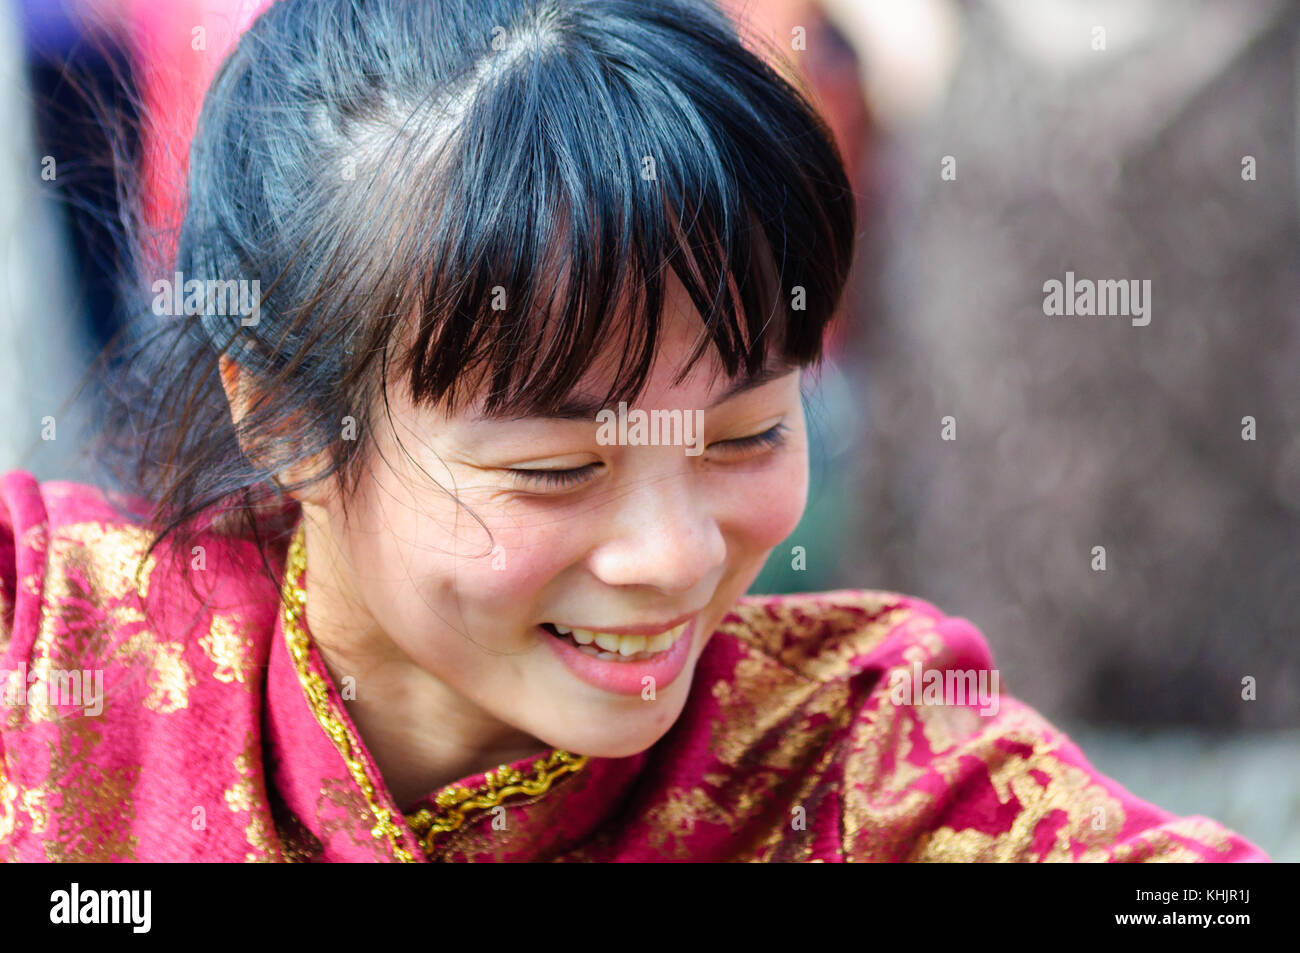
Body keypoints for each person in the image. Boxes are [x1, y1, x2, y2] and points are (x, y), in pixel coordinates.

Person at [0, 0, 1268, 862]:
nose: (668, 557)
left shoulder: (871, 773)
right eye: (556, 467)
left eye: (747, 434)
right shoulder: (44, 656)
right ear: (277, 412)